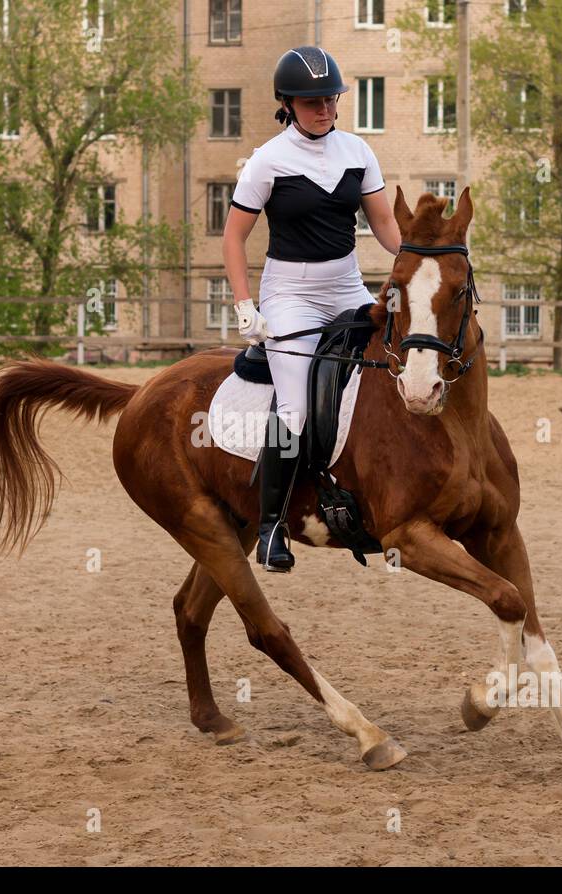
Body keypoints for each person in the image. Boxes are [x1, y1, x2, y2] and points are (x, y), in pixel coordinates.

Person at [221, 45, 401, 572]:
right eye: (311, 101)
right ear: (288, 104)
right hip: (291, 295)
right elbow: (234, 238)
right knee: (293, 410)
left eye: (330, 98)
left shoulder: (358, 151)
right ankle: (272, 525)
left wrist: (427, 256)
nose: (323, 108)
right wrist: (244, 304)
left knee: (392, 374)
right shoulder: (267, 159)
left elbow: (386, 227)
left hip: (348, 286)